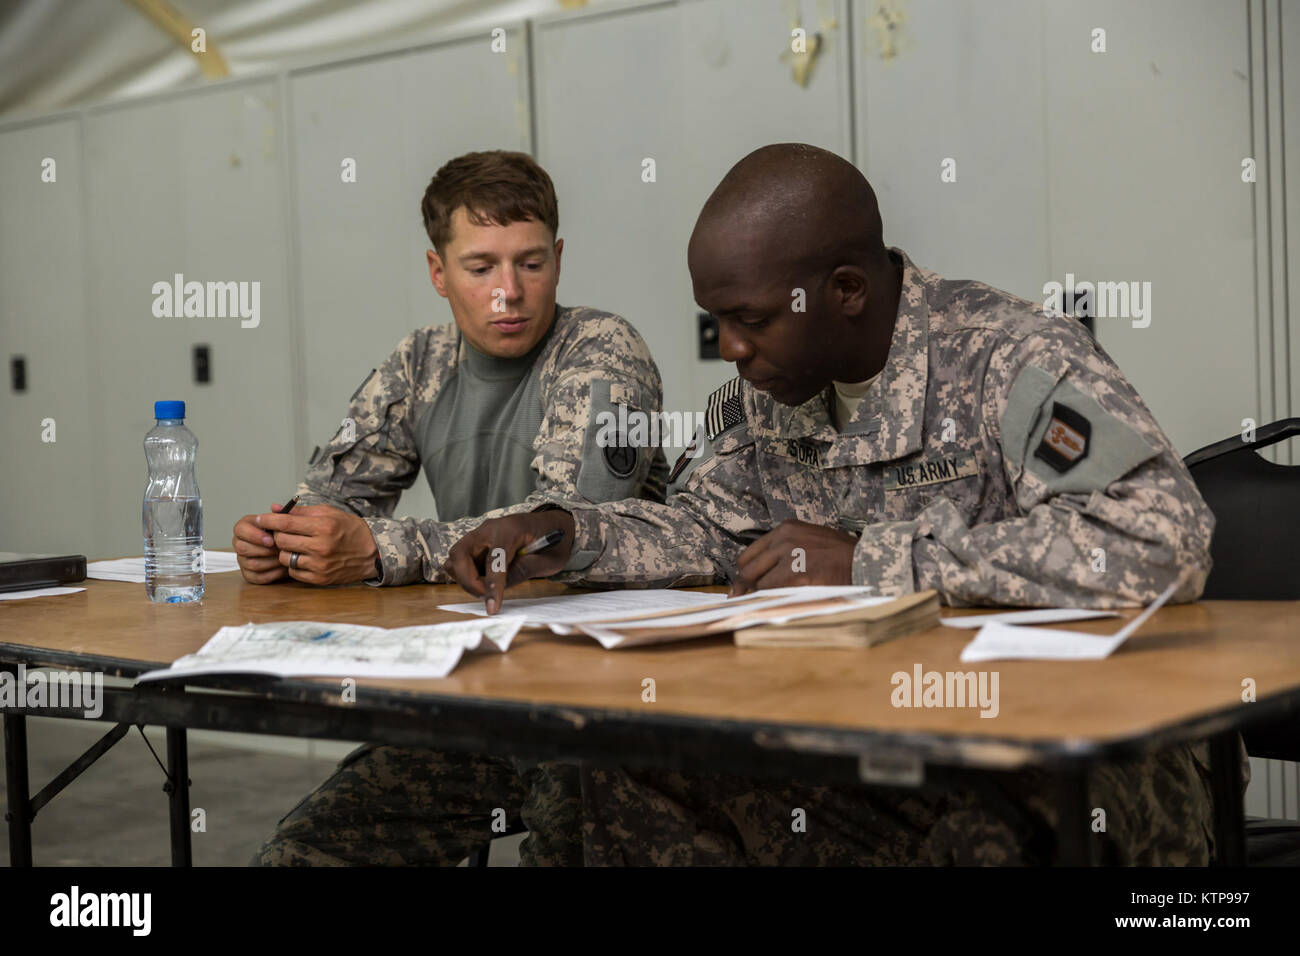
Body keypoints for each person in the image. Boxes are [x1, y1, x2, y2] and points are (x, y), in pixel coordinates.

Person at [444, 143, 1235, 865]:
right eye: (714, 321)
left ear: (846, 291)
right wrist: (568, 531)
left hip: (1052, 752)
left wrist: (868, 562)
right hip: (869, 741)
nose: (728, 348)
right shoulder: (768, 390)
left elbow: (1157, 537)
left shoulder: (1012, 358)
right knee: (626, 775)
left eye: (749, 319)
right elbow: (710, 529)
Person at [240, 150, 668, 865]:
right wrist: (288, 537)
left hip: (599, 709)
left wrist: (378, 550)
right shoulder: (419, 363)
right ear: (438, 273)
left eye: (530, 264)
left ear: (559, 260)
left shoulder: (604, 350)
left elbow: (561, 530)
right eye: (481, 268)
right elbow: (333, 495)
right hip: (476, 700)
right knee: (305, 855)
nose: (509, 293)